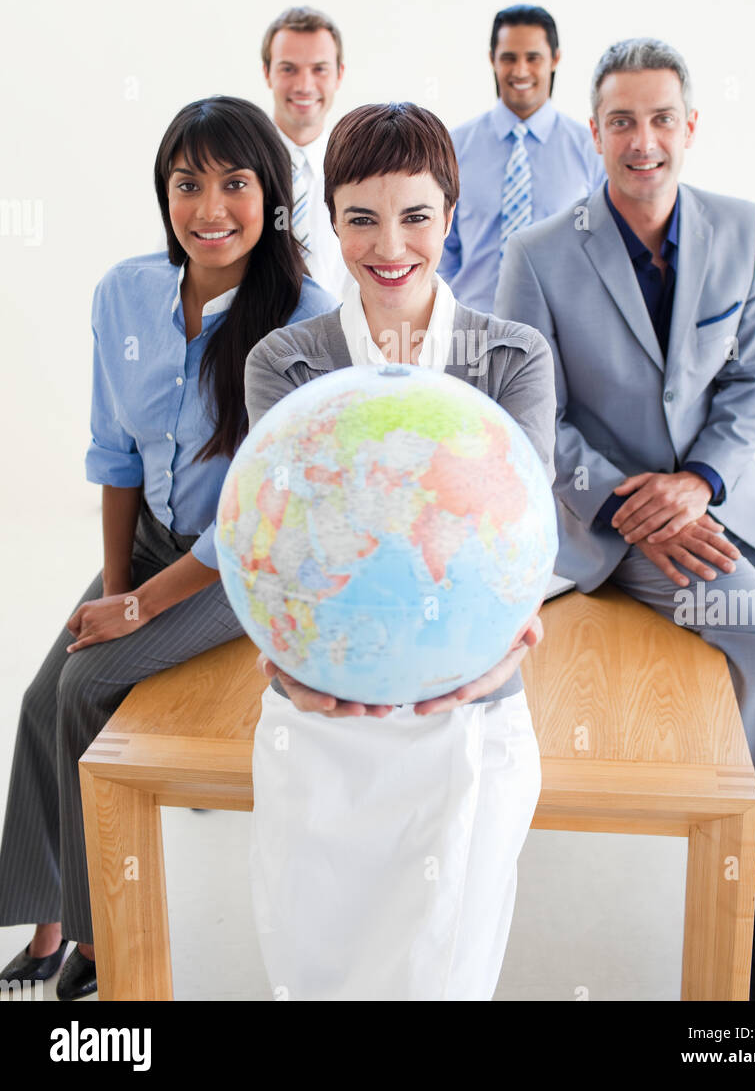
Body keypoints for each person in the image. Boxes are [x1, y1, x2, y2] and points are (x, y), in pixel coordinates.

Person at [495, 37, 755, 1002]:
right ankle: (752, 916)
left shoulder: (741, 228)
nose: (642, 139)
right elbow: (530, 416)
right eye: (621, 119)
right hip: (615, 526)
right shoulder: (537, 256)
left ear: (690, 129)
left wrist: (700, 478)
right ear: (595, 131)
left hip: (730, 498)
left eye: (662, 118)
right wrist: (633, 500)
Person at [0, 96, 335, 1001]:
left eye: (235, 183)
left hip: (244, 562)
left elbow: (262, 513)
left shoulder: (308, 317)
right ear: (165, 193)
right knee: (43, 696)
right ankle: (54, 920)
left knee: (87, 685)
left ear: (271, 196)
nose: (211, 207)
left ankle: (102, 946)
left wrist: (140, 611)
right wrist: (118, 590)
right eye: (189, 184)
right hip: (151, 538)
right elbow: (115, 456)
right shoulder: (125, 292)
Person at [243, 101, 556, 1001]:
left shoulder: (511, 358)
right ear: (330, 221)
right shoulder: (286, 364)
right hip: (319, 711)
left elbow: (521, 538)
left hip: (470, 708)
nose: (392, 244)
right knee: (314, 967)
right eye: (362, 217)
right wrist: (284, 657)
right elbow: (273, 546)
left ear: (450, 215)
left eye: (417, 215)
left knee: (437, 973)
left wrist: (506, 634)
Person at [438, 3, 605, 312]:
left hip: (561, 334)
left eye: (533, 58)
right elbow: (438, 246)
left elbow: (605, 248)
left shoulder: (592, 149)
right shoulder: (452, 146)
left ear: (555, 59)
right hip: (471, 332)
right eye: (509, 58)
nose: (520, 71)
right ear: (492, 60)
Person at [261, 3, 349, 299]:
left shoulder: (359, 170)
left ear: (339, 75)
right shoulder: (230, 166)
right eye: (289, 69)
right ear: (267, 73)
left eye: (319, 69)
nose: (304, 85)